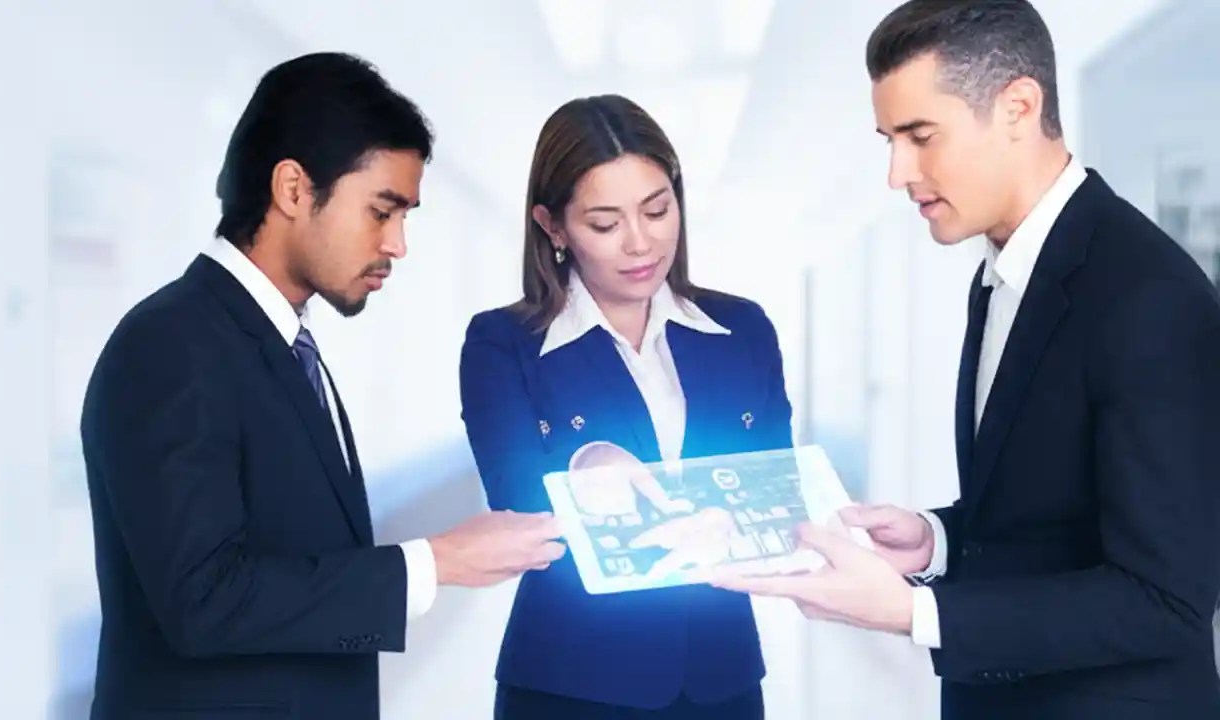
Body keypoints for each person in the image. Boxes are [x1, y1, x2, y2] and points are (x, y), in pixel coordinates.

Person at [712, 2, 1220, 718]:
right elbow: (1056, 515)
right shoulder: (1007, 271)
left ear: (1018, 106)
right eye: (890, 139)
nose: (897, 172)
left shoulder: (1147, 295)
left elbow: (1165, 598)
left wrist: (916, 614)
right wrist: (939, 540)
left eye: (921, 137)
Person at [79, 52, 564, 720]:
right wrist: (433, 562)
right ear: (293, 190)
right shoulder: (170, 345)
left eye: (405, 216)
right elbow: (204, 601)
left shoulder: (280, 345)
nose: (398, 244)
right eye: (381, 211)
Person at [458, 94, 794, 719]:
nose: (641, 243)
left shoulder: (742, 329)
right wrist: (587, 463)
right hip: (570, 680)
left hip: (719, 678)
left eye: (657, 210)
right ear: (553, 227)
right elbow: (515, 493)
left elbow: (777, 480)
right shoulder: (503, 343)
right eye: (606, 224)